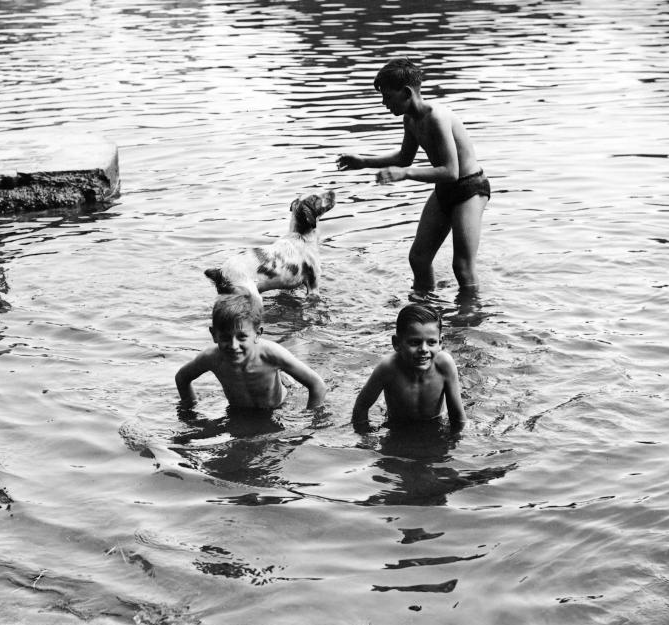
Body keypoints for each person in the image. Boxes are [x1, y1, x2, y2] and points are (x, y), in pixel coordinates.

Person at [337, 57, 490, 304]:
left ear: (407, 92)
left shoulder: (437, 117)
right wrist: (363, 161)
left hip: (469, 187)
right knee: (418, 258)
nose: (384, 103)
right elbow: (405, 158)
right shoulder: (410, 119)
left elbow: (451, 171)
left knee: (462, 266)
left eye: (387, 96)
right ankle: (424, 310)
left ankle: (469, 319)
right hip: (445, 190)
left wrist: (405, 175)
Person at [176, 295, 327, 410]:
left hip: (277, 408)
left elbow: (317, 385)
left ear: (257, 334)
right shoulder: (211, 358)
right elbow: (182, 378)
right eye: (225, 338)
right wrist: (190, 410)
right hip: (240, 411)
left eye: (242, 337)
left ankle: (283, 378)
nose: (234, 345)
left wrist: (311, 423)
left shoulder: (271, 354)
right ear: (214, 335)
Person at [351, 304, 466, 432]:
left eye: (431, 342)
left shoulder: (445, 365)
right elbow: (361, 407)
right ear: (397, 343)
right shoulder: (388, 368)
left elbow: (458, 417)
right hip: (398, 425)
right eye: (415, 342)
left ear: (440, 343)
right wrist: (364, 436)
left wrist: (455, 442)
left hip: (435, 422)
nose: (423, 349)